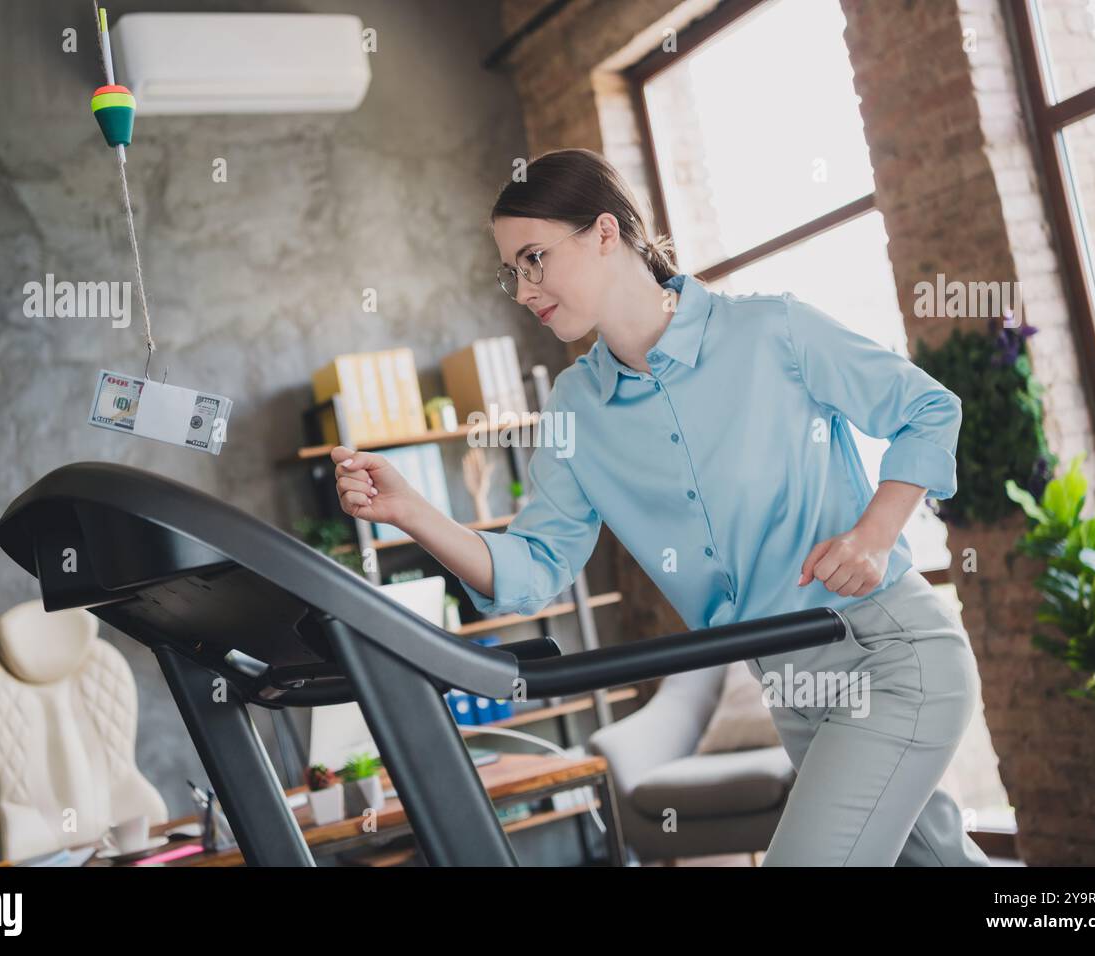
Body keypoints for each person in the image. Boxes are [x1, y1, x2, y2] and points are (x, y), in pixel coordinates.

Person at [331, 147, 989, 866]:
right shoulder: (578, 407)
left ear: (605, 233)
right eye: (510, 271)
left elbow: (927, 410)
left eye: (534, 259)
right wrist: (414, 512)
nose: (522, 290)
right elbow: (532, 570)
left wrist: (874, 532)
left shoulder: (772, 330)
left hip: (887, 656)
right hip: (794, 692)